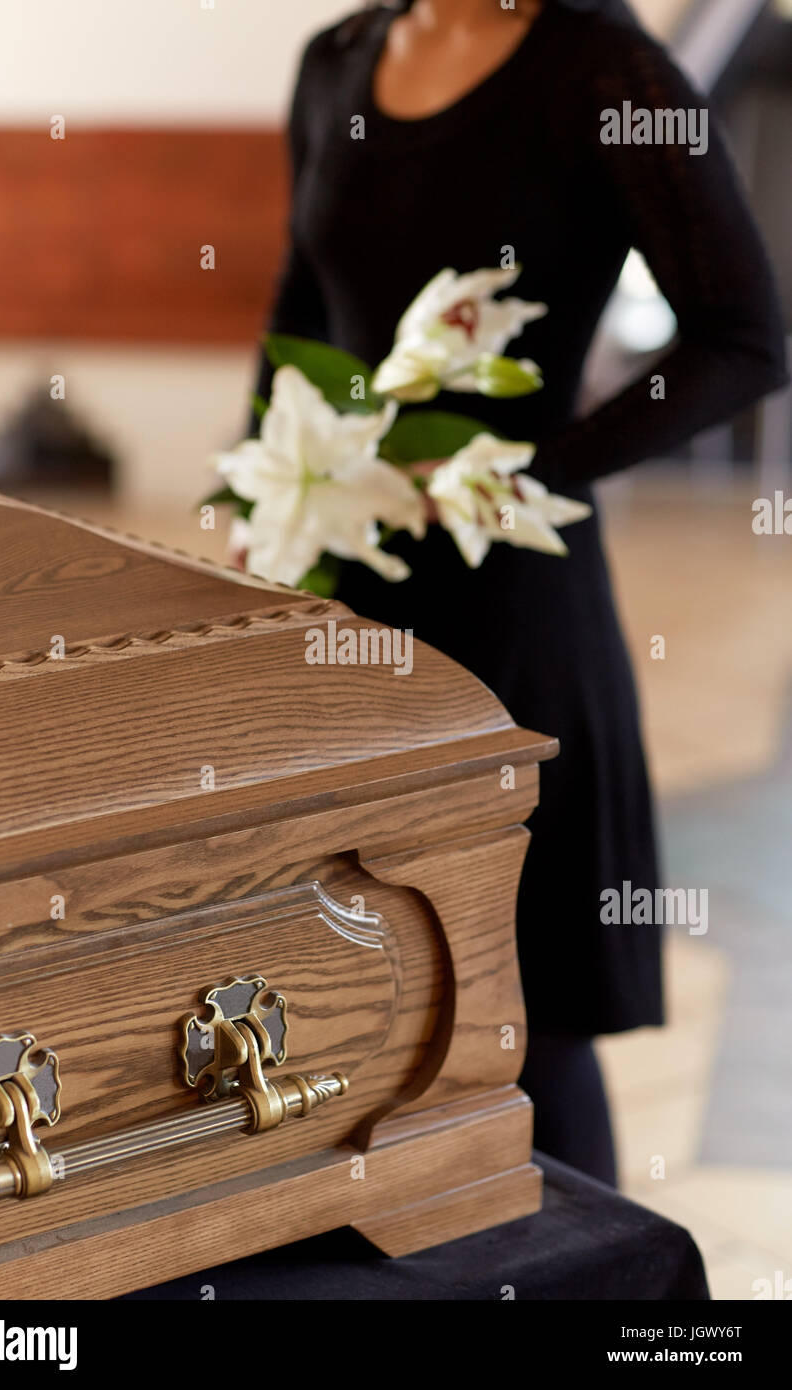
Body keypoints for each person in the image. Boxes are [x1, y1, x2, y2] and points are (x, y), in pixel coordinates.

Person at [250, 0, 788, 1185]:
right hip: (346, 604)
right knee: (351, 998)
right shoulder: (333, 61)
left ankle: (589, 1273)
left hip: (515, 615)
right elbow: (302, 314)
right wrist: (259, 512)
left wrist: (526, 474)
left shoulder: (604, 70)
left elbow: (744, 337)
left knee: (522, 1019)